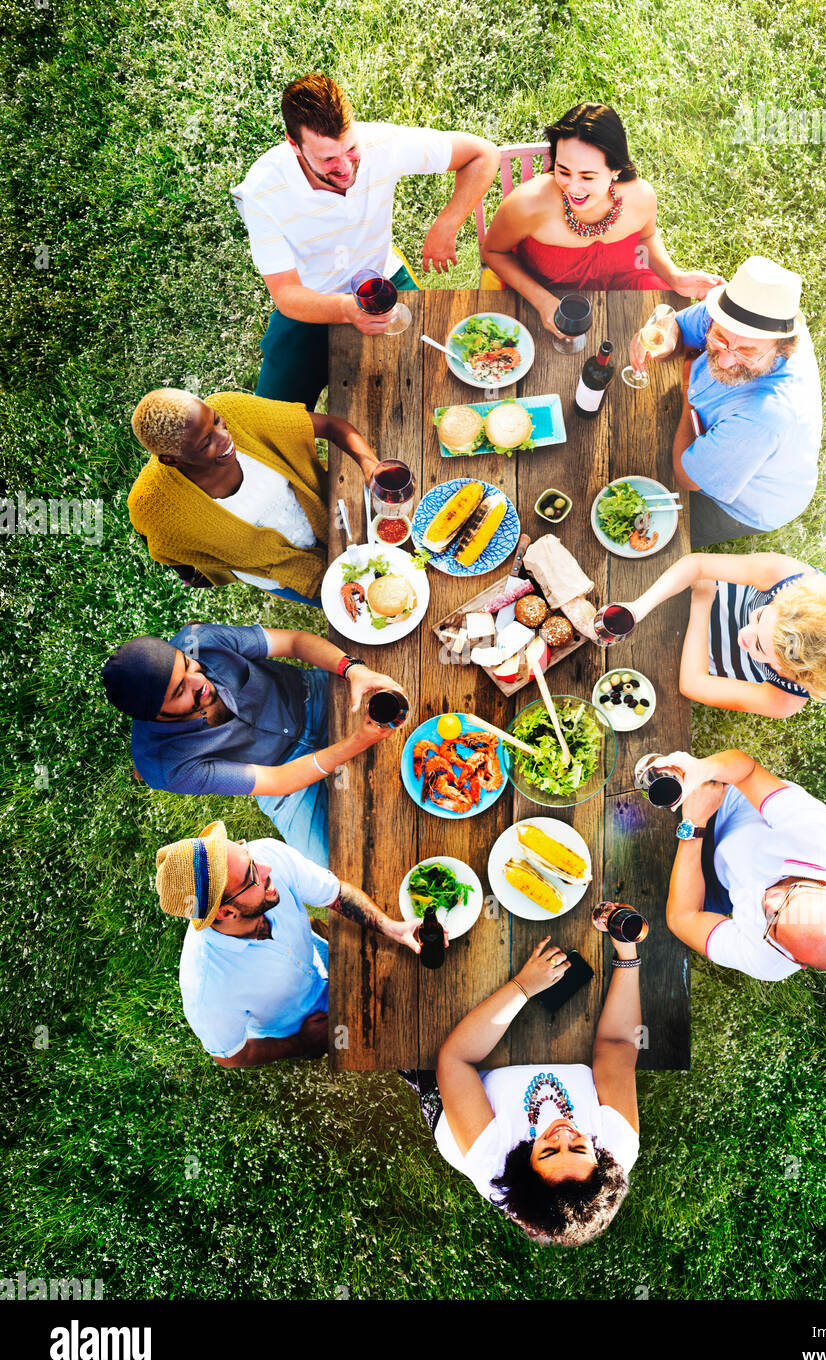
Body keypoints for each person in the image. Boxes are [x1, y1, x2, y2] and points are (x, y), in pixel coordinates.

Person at [232, 73, 499, 408]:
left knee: (446, 377)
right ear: (293, 144)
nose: (345, 167)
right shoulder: (262, 190)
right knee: (270, 423)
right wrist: (347, 309)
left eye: (351, 148)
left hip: (381, 280)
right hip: (310, 302)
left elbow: (483, 154)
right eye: (328, 159)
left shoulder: (382, 143)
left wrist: (447, 224)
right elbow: (286, 293)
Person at [402, 932, 642, 1246]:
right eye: (580, 1148)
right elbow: (618, 1043)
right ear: (599, 1158)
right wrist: (628, 955)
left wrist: (525, 985)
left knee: (407, 1019)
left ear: (526, 1165)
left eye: (549, 1150)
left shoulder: (491, 1160)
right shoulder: (619, 1144)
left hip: (454, 1091)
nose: (563, 1135)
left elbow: (456, 1058)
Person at [101, 621, 406, 864]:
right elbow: (276, 782)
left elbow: (294, 643)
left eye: (188, 666)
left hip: (310, 697)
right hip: (279, 773)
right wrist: (356, 743)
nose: (201, 683)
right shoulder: (164, 765)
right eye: (181, 690)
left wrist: (352, 670)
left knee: (404, 701)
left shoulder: (198, 640)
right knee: (337, 868)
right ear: (155, 716)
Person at [155, 819, 428, 1067]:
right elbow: (232, 1056)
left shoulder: (267, 855)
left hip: (316, 952)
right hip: (302, 1024)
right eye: (252, 874)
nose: (266, 867)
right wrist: (300, 1043)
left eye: (247, 854)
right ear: (226, 913)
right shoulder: (208, 990)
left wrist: (391, 928)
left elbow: (335, 895)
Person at [481, 102, 722, 337]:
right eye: (563, 171)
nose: (572, 187)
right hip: (547, 299)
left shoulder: (641, 196)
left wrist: (674, 276)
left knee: (676, 338)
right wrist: (542, 301)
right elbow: (493, 252)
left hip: (624, 288)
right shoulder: (527, 203)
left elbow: (646, 238)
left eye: (587, 177)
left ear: (615, 170)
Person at [630, 255, 822, 547]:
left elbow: (686, 476)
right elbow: (678, 325)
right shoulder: (740, 319)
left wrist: (687, 397)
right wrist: (667, 338)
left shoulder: (765, 417)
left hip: (749, 502)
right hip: (724, 434)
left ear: (782, 347)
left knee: (650, 530)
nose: (727, 358)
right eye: (719, 338)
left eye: (746, 352)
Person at [129, 388, 379, 605]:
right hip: (285, 574)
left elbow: (330, 427)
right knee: (362, 614)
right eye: (206, 444)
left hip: (331, 516)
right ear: (171, 460)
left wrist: (370, 466)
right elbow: (163, 546)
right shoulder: (158, 506)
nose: (225, 437)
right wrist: (197, 575)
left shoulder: (232, 409)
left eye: (216, 421)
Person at [662, 748, 826, 981]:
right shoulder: (822, 836)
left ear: (796, 960)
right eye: (790, 896)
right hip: (727, 805)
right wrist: (700, 771)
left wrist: (694, 824)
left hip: (720, 878)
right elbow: (747, 772)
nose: (768, 901)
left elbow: (683, 919)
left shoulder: (769, 962)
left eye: (772, 925)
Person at [628, 551, 826, 716]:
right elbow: (697, 564)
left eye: (759, 647)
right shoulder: (785, 575)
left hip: (696, 653)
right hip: (705, 592)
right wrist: (637, 609)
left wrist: (701, 602)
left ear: (790, 672)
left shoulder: (785, 700)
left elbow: (693, 683)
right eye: (760, 616)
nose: (746, 633)